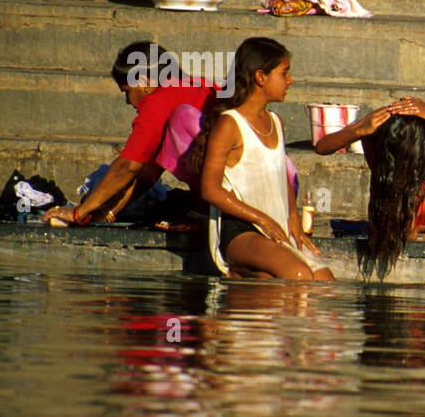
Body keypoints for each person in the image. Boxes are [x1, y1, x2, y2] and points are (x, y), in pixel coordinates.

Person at [199, 37, 333, 280]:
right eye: (284, 73)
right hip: (241, 229)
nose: (290, 81)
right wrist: (262, 219)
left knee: (325, 283)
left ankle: (250, 276)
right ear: (260, 77)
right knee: (299, 276)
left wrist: (293, 218)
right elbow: (209, 189)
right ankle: (241, 270)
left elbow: (281, 175)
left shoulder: (276, 122)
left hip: (276, 227)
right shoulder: (229, 123)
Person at [315, 97, 425, 274]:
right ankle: (405, 221)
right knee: (370, 134)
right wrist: (360, 129)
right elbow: (322, 147)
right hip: (406, 198)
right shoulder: (383, 120)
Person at [44, 42, 215, 226]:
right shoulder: (192, 86)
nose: (128, 101)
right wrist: (103, 211)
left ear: (144, 82)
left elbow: (128, 167)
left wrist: (78, 213)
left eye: (127, 91)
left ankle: (203, 211)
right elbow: (146, 172)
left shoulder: (158, 101)